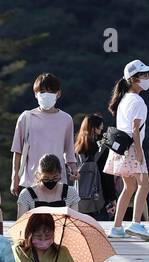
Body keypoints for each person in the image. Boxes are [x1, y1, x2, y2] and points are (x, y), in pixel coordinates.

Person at [105, 59, 149, 241]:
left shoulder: (124, 99)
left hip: (121, 149)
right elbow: (135, 129)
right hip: (133, 148)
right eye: (144, 75)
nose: (147, 79)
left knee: (129, 187)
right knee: (145, 185)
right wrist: (140, 152)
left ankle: (117, 227)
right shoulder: (138, 102)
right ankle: (136, 223)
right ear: (134, 79)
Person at [11, 73, 78, 203]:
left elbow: (69, 151)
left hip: (57, 181)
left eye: (51, 91)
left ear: (58, 94)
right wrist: (15, 177)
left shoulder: (66, 119)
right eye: (42, 91)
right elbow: (17, 150)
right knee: (32, 221)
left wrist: (74, 170)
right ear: (35, 94)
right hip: (31, 181)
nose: (46, 94)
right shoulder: (26, 117)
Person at [74, 114, 117, 221]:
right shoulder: (102, 148)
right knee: (101, 230)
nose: (102, 130)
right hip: (99, 199)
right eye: (100, 128)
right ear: (94, 128)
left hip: (81, 198)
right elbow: (107, 175)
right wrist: (112, 198)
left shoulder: (77, 148)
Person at [16, 154, 81, 216]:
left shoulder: (70, 193)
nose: (51, 181)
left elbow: (74, 221)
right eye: (46, 178)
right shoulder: (27, 194)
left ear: (60, 174)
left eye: (55, 178)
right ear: (38, 175)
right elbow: (21, 222)